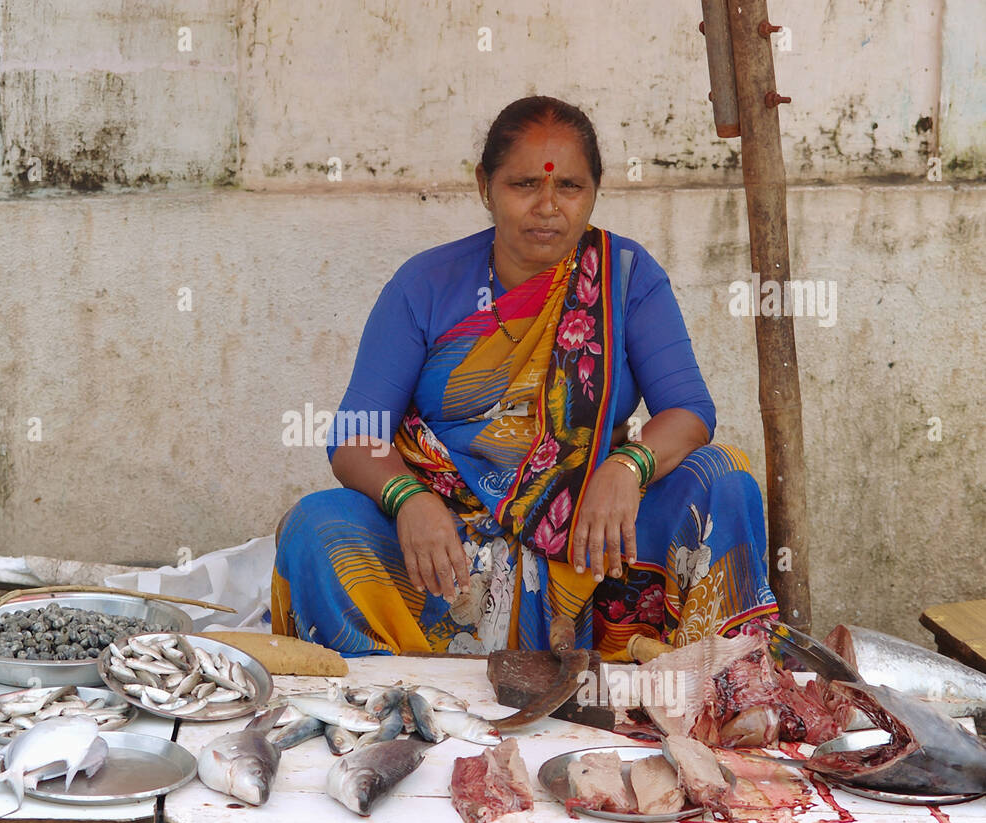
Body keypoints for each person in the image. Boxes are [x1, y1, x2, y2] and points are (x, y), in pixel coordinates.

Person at [271, 96, 779, 662]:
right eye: (523, 186)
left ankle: (718, 681)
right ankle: (389, 690)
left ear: (594, 191)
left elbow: (689, 411)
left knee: (723, 474)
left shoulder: (625, 277)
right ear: (484, 186)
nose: (547, 207)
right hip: (449, 545)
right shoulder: (425, 285)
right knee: (315, 526)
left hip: (589, 539)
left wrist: (626, 467)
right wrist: (408, 499)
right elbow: (355, 435)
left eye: (569, 186)